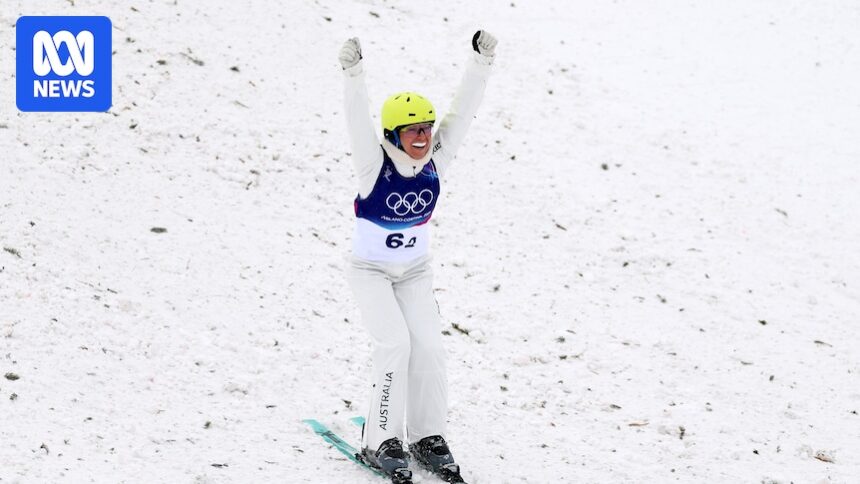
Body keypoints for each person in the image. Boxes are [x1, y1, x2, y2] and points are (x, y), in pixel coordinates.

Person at [338, 30, 497, 483]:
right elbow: (355, 121)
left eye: (427, 128)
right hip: (370, 273)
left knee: (428, 348)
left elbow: (461, 114)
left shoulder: (434, 161)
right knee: (395, 344)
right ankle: (379, 440)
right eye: (413, 130)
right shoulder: (374, 166)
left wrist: (480, 63)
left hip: (414, 272)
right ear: (393, 134)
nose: (424, 137)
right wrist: (353, 74)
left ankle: (427, 436)